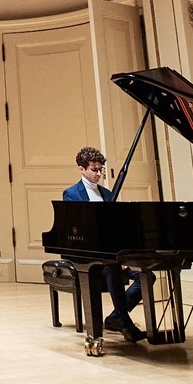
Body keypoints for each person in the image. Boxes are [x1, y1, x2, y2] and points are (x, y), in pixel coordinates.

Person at [61, 145, 150, 341]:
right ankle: (125, 322)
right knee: (112, 267)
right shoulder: (71, 194)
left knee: (146, 276)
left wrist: (123, 256)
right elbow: (76, 230)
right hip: (87, 254)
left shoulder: (107, 194)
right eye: (94, 169)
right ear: (81, 169)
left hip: (111, 253)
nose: (99, 173)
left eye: (100, 169)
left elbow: (114, 228)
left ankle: (115, 317)